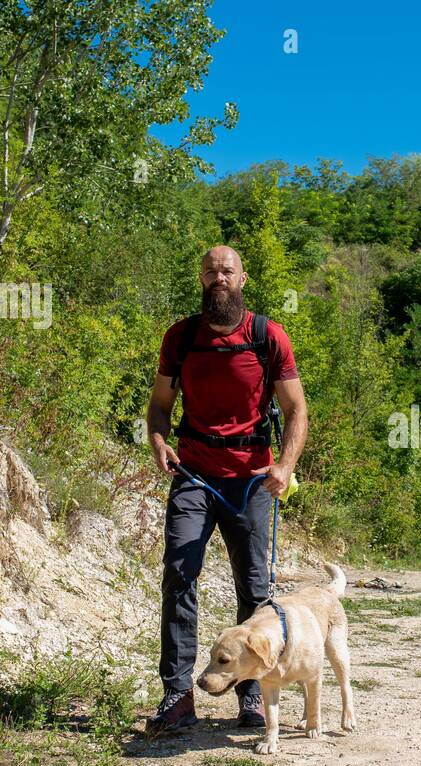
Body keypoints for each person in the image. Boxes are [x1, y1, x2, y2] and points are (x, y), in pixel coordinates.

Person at [143, 245, 309, 734]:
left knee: (255, 589)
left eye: (227, 270)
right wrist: (158, 440)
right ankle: (177, 696)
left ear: (242, 278)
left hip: (253, 480)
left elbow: (297, 409)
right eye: (211, 270)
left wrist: (284, 465)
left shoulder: (267, 335)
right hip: (193, 472)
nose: (219, 277)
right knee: (179, 574)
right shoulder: (180, 337)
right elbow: (159, 405)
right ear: (201, 277)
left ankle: (253, 694)